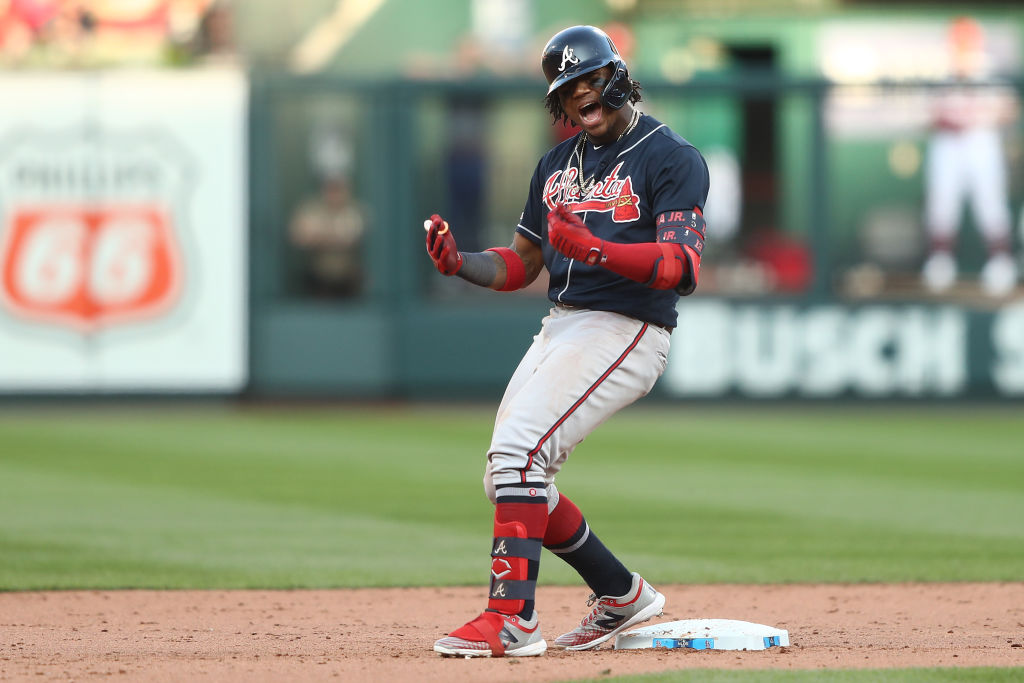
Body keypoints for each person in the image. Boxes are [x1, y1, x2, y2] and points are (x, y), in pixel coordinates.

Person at [424, 25, 710, 658]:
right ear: (558, 102)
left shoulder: (670, 155)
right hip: (562, 322)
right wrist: (460, 263)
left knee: (518, 455)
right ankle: (621, 595)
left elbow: (683, 267)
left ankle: (513, 619)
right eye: (568, 87)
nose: (584, 93)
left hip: (629, 327)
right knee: (508, 475)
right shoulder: (556, 165)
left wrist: (598, 249)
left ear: (618, 76)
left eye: (593, 78)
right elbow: (523, 263)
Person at [921, 16, 1019, 297]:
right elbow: (926, 115)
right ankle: (940, 265)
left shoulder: (987, 72)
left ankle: (1000, 264)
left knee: (990, 202)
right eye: (957, 41)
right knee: (942, 202)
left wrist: (979, 118)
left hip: (980, 141)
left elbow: (1009, 109)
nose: (960, 47)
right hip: (948, 144)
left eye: (966, 41)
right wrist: (944, 120)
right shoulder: (942, 74)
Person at [289, 173, 366, 298]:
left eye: (338, 188)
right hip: (317, 278)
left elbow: (352, 238)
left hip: (347, 281)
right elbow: (299, 237)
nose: (334, 194)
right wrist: (336, 236)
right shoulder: (311, 209)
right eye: (331, 188)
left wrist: (319, 236)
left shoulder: (354, 211)